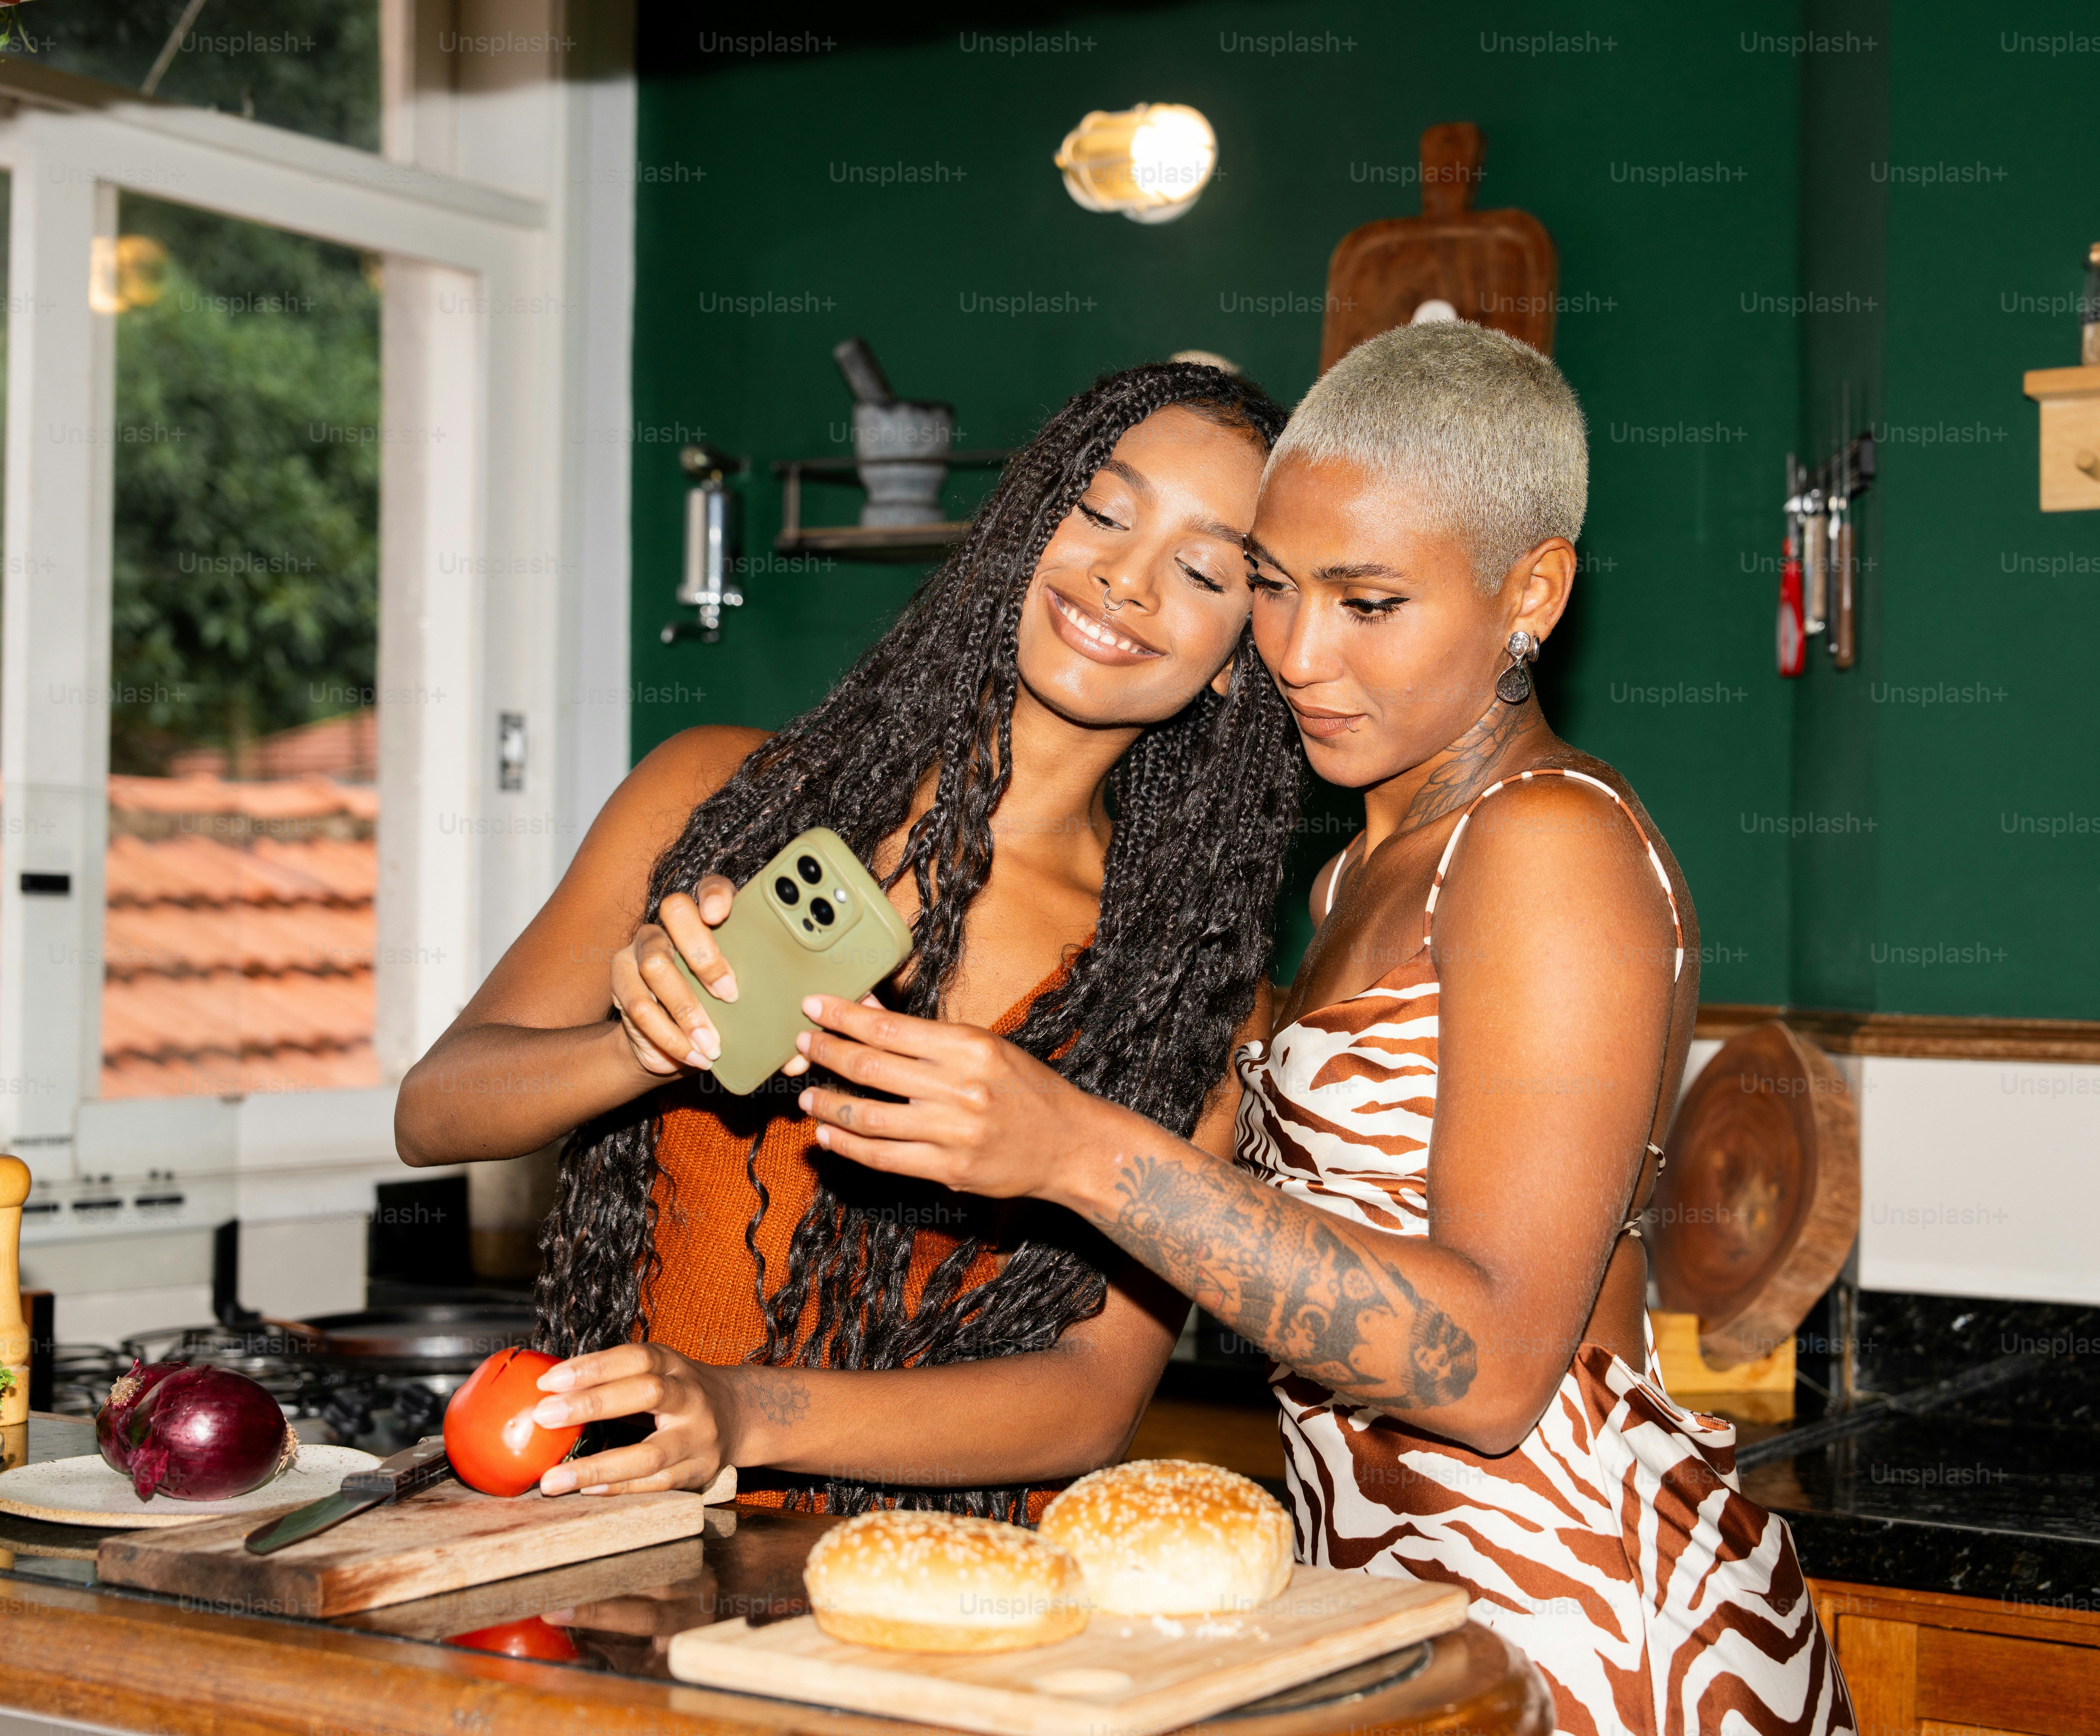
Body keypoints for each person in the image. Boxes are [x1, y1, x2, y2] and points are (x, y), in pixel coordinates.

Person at [788, 322, 1855, 1733]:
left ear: (1532, 592)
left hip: (1589, 1626)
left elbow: (1490, 1373)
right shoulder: (1364, 870)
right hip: (1413, 1607)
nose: (1297, 654)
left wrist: (1076, 1151)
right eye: (1276, 589)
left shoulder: (1548, 843)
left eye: (1370, 604)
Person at [393, 361, 1304, 1519]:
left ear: (1237, 657)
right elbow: (434, 1113)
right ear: (1028, 524)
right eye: (1102, 512)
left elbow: (1092, 1398)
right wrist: (643, 1045)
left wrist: (744, 1412)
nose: (1126, 579)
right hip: (614, 1538)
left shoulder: (1195, 1003)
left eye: (1203, 570)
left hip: (932, 1586)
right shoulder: (712, 793)